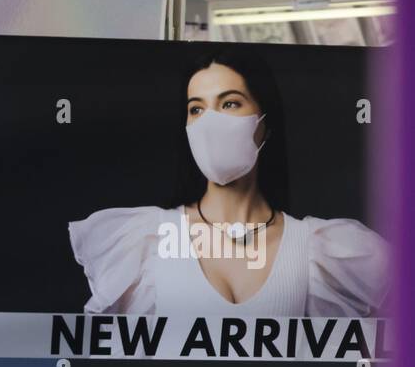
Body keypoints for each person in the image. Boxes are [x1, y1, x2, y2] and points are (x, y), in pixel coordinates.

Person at [71, 48, 386, 318]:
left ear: (266, 122)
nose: (209, 122)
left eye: (230, 103)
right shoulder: (143, 243)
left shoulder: (321, 251)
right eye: (196, 109)